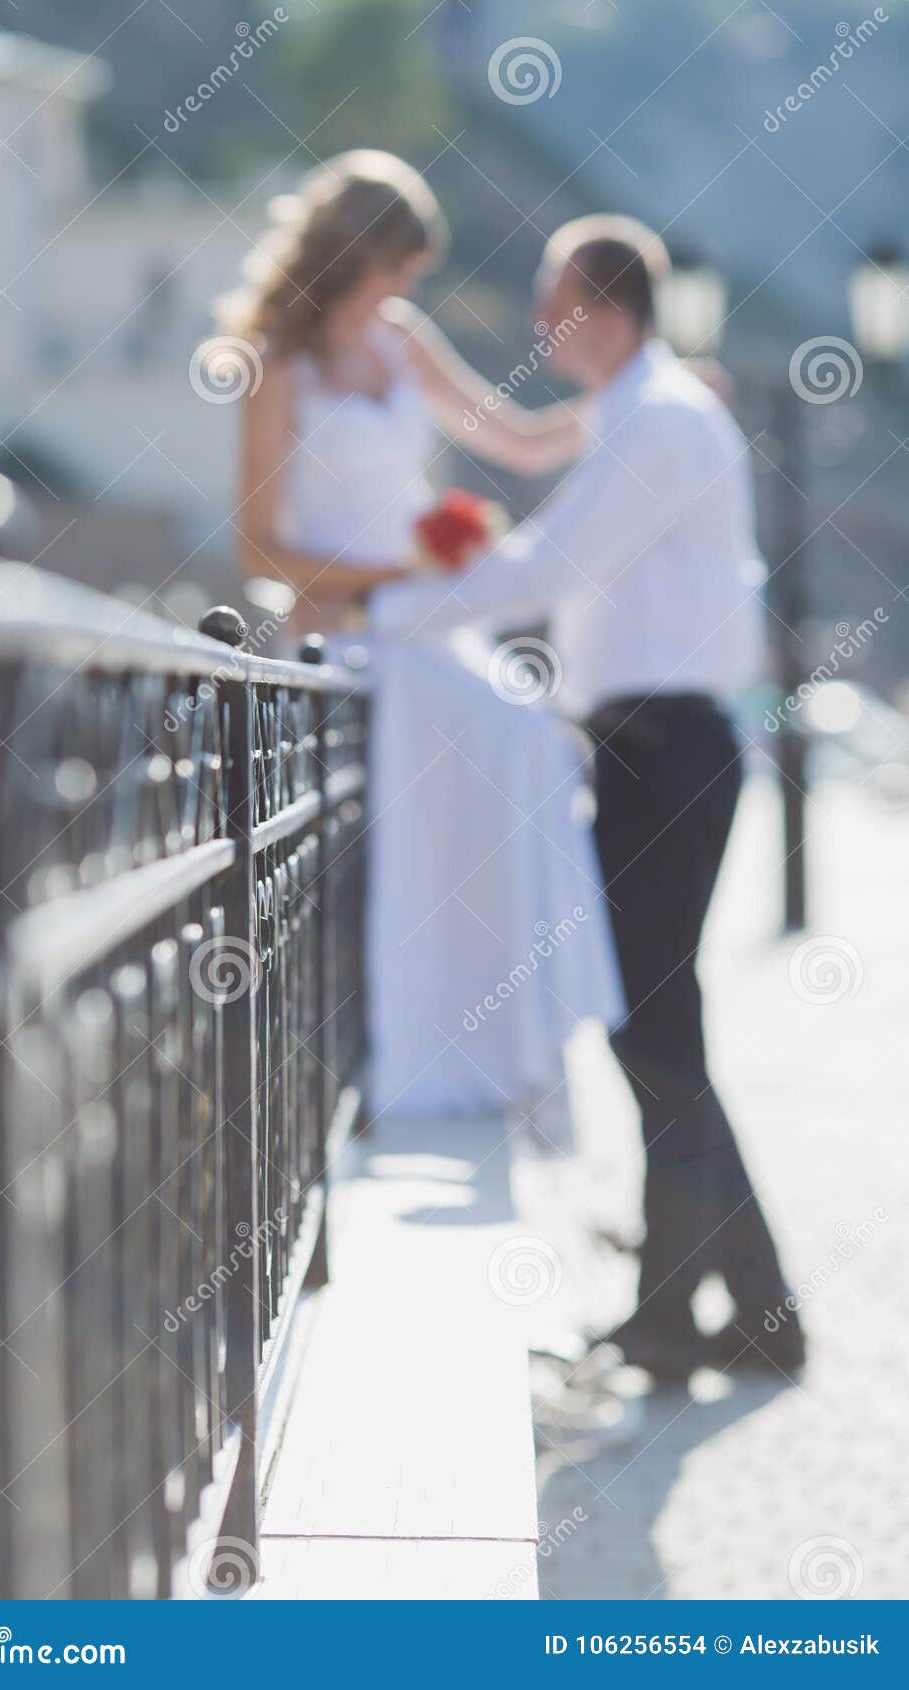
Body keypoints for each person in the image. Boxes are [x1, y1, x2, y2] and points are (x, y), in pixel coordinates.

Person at [414, 214, 803, 1375]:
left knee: (654, 1029)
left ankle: (688, 1315)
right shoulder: (647, 415)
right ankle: (744, 1312)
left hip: (662, 751)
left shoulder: (661, 421)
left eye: (553, 301)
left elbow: (547, 567)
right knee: (657, 1028)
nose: (539, 323)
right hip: (653, 750)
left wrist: (387, 615)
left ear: (605, 310)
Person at [224, 151, 623, 1127]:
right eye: (394, 267)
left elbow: (519, 438)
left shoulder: (401, 341)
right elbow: (257, 541)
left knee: (528, 741)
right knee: (504, 732)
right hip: (344, 636)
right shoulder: (280, 365)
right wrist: (389, 577)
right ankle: (429, 1042)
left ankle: (502, 1035)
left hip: (426, 625)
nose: (404, 288)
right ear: (350, 257)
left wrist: (628, 405)